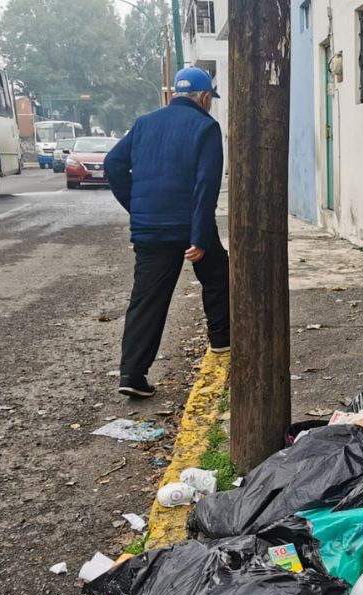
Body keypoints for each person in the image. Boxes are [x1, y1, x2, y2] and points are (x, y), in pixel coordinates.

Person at [105, 66, 230, 399]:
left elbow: (113, 164)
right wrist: (201, 237)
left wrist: (138, 205)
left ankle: (132, 373)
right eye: (210, 99)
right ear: (205, 97)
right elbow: (206, 186)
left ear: (174, 94)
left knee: (147, 299)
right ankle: (222, 342)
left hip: (150, 230)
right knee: (218, 276)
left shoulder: (144, 123)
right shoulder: (206, 127)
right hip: (188, 225)